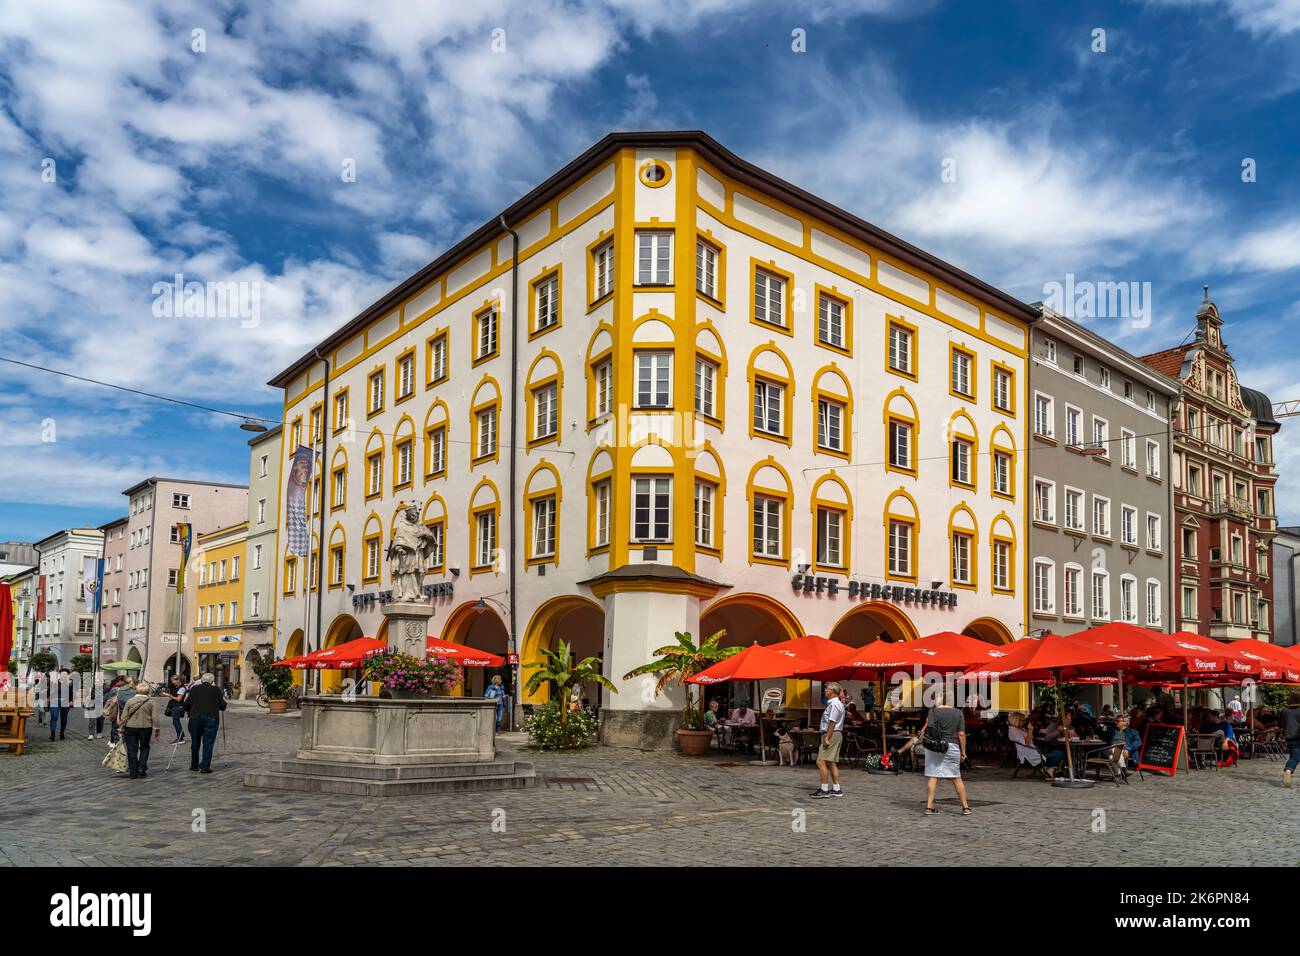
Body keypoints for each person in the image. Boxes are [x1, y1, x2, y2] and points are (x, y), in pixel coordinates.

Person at [919, 690, 970, 814]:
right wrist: (963, 751)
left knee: (933, 776)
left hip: (935, 746)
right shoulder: (958, 713)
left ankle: (929, 807)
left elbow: (929, 728)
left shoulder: (933, 711)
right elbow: (961, 734)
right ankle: (965, 807)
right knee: (956, 777)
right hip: (952, 745)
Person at [184, 673, 227, 774]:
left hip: (195, 718)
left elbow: (186, 704)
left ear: (202, 680)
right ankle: (205, 766)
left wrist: (189, 710)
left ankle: (194, 765)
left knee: (195, 742)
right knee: (208, 743)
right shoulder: (216, 689)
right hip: (211, 718)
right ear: (212, 681)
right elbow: (222, 705)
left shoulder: (194, 689)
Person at [117, 681, 161, 779]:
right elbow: (155, 717)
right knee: (144, 747)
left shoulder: (130, 701)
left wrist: (121, 727)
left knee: (132, 750)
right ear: (147, 691)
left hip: (130, 727)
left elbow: (124, 716)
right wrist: (157, 729)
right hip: (145, 727)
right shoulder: (151, 701)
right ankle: (142, 768)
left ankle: (133, 772)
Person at [812, 682, 845, 798]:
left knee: (820, 761)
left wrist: (826, 737)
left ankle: (824, 789)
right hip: (835, 734)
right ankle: (836, 788)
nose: (825, 690)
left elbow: (832, 722)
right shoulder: (836, 703)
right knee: (831, 762)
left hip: (832, 734)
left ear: (832, 691)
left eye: (827, 689)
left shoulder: (834, 704)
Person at [47, 668, 74, 741]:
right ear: (60, 675)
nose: (64, 675)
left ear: (68, 675)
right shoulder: (54, 683)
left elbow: (71, 693)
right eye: (62, 674)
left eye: (66, 674)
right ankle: (52, 734)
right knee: (54, 717)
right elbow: (48, 692)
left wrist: (71, 700)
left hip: (65, 702)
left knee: (64, 718)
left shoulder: (70, 684)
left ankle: (62, 733)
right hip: (55, 701)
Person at [1282, 691, 1300, 788]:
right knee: (1295, 757)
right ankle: (1288, 771)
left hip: (1289, 736)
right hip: (1298, 736)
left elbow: (1283, 724)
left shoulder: (1285, 711)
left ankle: (1289, 770)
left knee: (1294, 756)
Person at [165, 675, 188, 743]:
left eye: (173, 681)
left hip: (178, 707)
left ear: (178, 680)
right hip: (174, 706)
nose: (172, 682)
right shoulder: (175, 686)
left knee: (176, 722)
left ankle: (180, 738)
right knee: (175, 722)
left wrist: (170, 696)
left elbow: (178, 699)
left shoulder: (182, 688)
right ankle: (181, 736)